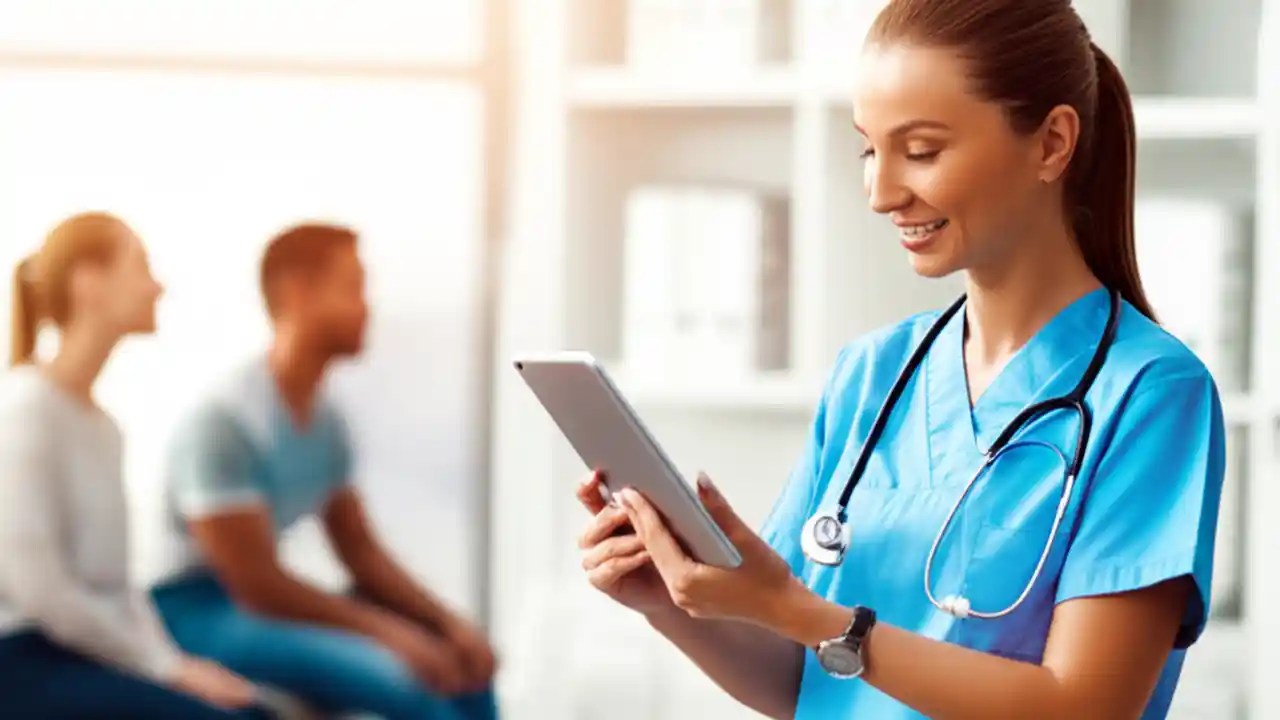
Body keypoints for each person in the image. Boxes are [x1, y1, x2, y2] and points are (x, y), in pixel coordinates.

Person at [574, 1, 1226, 718]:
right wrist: (669, 601)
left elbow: (1087, 706)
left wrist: (803, 614)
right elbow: (799, 679)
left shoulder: (1152, 394)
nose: (881, 193)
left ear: (1051, 144)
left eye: (921, 150)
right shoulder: (871, 375)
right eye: (868, 149)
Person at [151, 222, 499, 720]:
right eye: (353, 287)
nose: (367, 307)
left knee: (468, 669)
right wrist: (388, 633)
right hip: (193, 610)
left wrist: (446, 623)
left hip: (253, 602)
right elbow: (257, 584)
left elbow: (361, 552)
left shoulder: (326, 422)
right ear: (299, 294)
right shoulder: (224, 423)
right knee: (416, 688)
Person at [0, 212, 267, 719]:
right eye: (141, 266)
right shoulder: (24, 411)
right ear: (88, 283)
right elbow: (41, 591)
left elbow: (121, 589)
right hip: (19, 659)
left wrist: (177, 663)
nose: (157, 286)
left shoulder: (104, 428)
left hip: (82, 652)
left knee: (254, 710)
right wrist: (166, 670)